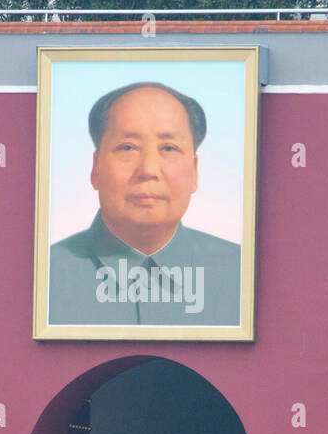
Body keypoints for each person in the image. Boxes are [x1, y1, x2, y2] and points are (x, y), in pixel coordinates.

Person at [46, 82, 242, 326]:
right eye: (128, 147)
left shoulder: (242, 273)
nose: (148, 170)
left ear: (194, 171)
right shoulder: (44, 275)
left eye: (169, 148)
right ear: (96, 168)